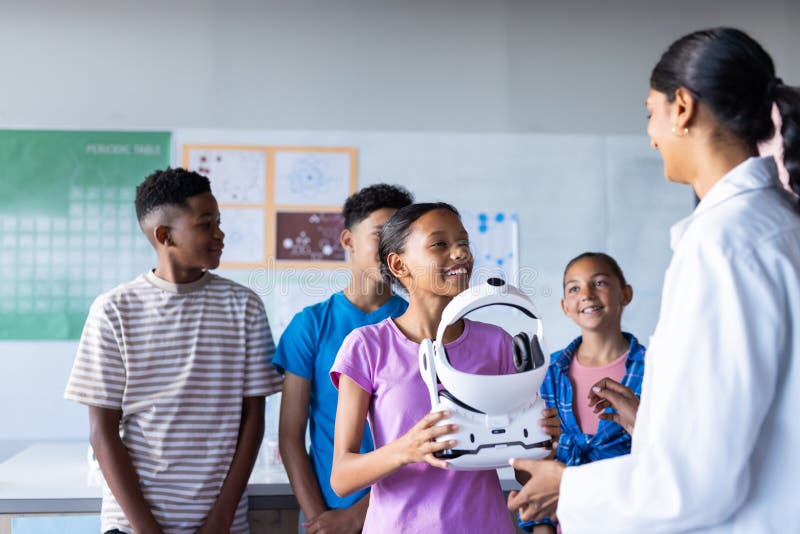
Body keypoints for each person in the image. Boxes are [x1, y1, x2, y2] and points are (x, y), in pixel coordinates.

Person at [508, 27, 800, 532]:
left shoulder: (724, 244)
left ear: (682, 107)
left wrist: (568, 487)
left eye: (650, 113)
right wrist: (652, 424)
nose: (650, 134)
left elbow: (696, 484)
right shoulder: (773, 224)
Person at [64, 168, 282, 534]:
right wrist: (147, 530)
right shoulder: (113, 310)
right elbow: (102, 432)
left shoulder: (245, 306)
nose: (219, 233)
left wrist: (221, 518)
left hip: (221, 524)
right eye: (206, 224)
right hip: (132, 525)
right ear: (164, 236)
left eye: (219, 222)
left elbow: (253, 420)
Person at [329, 202, 560, 533]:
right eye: (440, 244)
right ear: (398, 264)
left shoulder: (497, 343)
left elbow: (525, 471)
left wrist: (544, 443)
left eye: (463, 243)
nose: (460, 253)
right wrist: (407, 449)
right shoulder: (367, 346)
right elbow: (341, 478)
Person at [273, 184, 413, 533]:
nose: (391, 247)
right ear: (348, 240)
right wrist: (320, 520)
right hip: (326, 512)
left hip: (404, 511)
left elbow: (423, 438)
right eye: (380, 235)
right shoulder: (311, 325)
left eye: (401, 237)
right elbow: (290, 437)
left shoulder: (419, 325)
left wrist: (356, 516)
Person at [518, 253, 645, 533]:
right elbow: (534, 470)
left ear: (625, 294)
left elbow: (669, 457)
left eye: (599, 283)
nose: (586, 294)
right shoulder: (546, 375)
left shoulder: (657, 370)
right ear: (565, 306)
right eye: (574, 288)